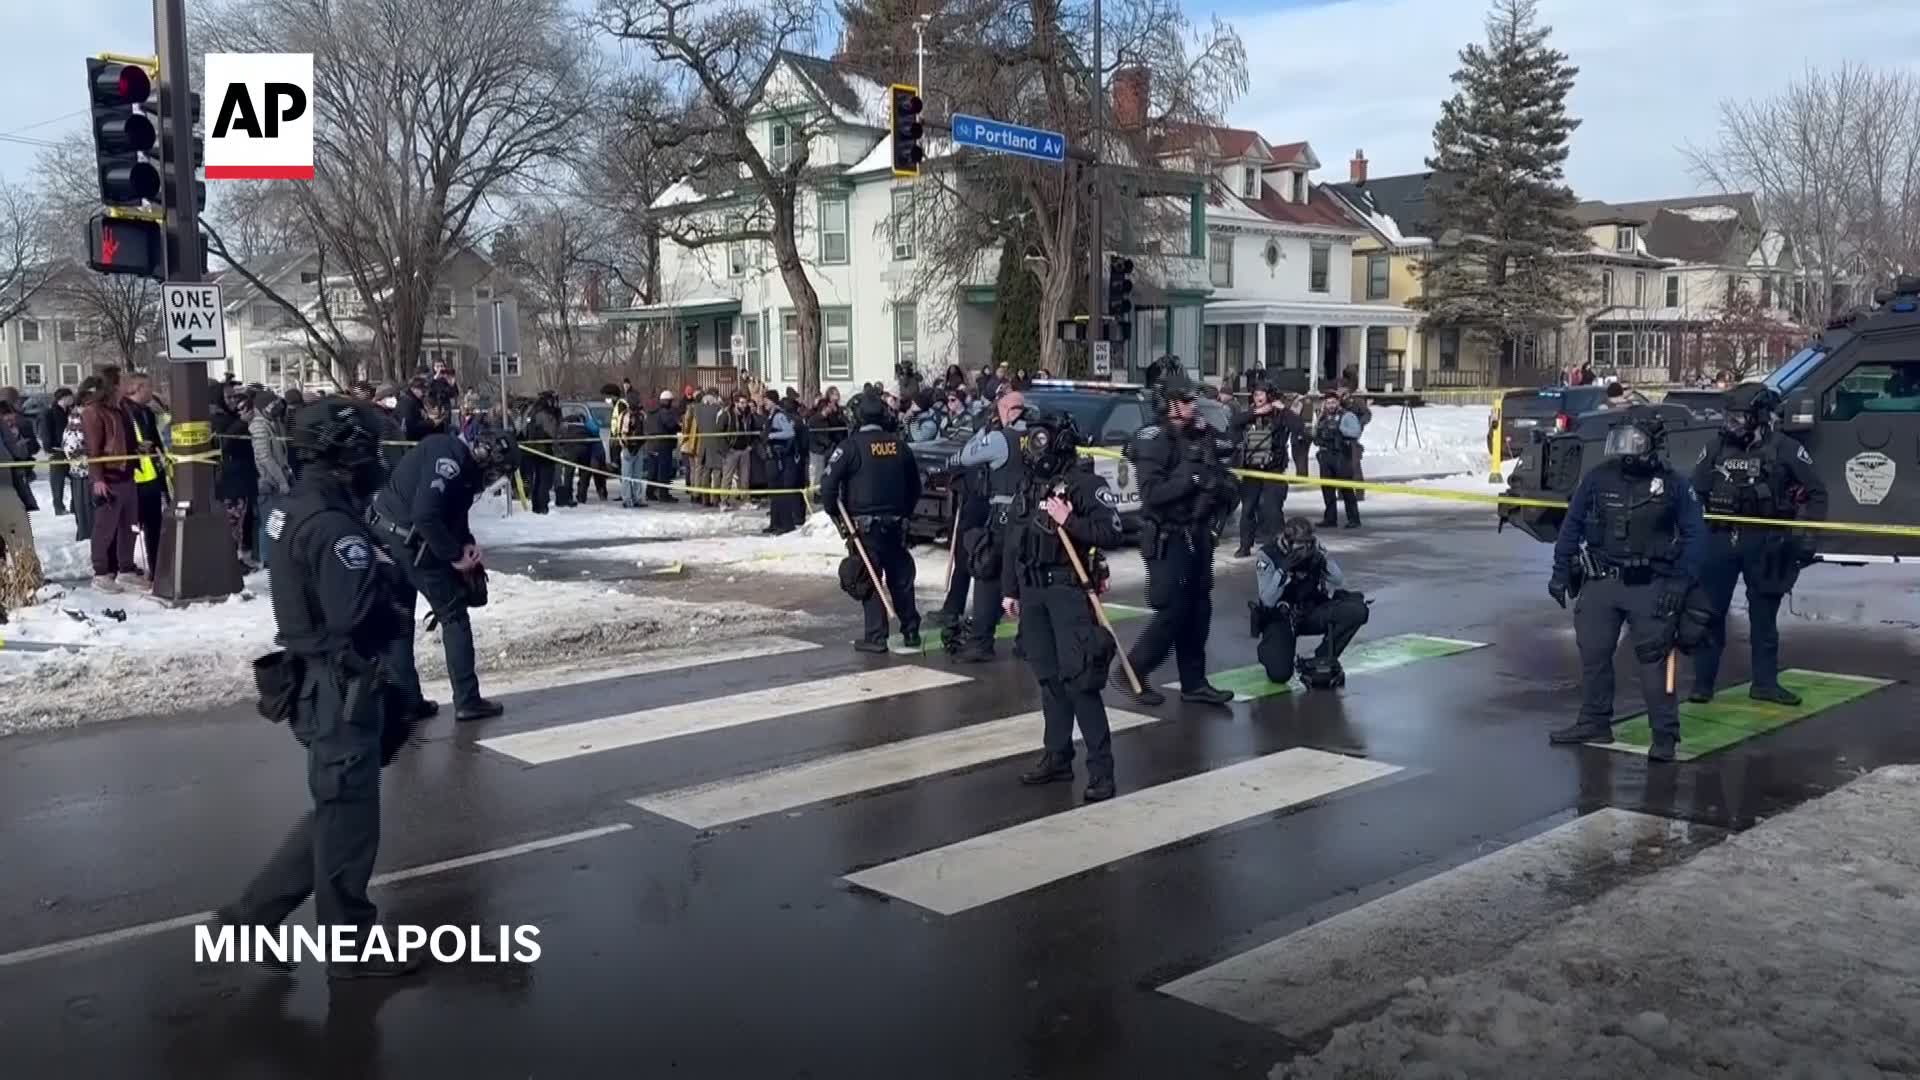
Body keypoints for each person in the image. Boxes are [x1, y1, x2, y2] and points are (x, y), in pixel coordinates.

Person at [217, 398, 421, 979]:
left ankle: (251, 920)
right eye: (366, 448)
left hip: (318, 680)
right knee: (350, 822)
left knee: (339, 813)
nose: (374, 458)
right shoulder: (332, 526)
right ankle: (350, 949)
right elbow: (354, 614)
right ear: (340, 451)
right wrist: (392, 582)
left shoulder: (296, 506)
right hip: (339, 682)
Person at [1547, 407, 1706, 761]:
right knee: (1593, 653)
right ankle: (1594, 721)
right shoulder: (1598, 478)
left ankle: (1664, 736)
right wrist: (1561, 572)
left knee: (1653, 663)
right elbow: (1571, 526)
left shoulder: (1675, 484)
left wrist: (1681, 582)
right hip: (1602, 580)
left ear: (1654, 444)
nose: (1627, 451)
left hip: (1652, 583)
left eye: (1635, 442)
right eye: (1621, 441)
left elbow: (1697, 536)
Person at [1002, 411, 1125, 802]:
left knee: (1080, 682)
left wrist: (1070, 519)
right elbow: (1012, 539)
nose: (1034, 446)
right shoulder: (1029, 484)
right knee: (1049, 680)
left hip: (1068, 591)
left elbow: (1111, 531)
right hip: (1033, 591)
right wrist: (1011, 590)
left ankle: (1101, 772)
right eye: (1032, 439)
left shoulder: (1085, 484)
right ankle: (1057, 756)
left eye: (1042, 439)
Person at [366, 425, 517, 724]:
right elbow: (426, 515)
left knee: (400, 617)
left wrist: (467, 543)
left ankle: (406, 701)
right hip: (406, 540)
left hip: (388, 536)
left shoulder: (457, 459)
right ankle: (467, 700)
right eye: (496, 469)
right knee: (454, 615)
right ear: (484, 453)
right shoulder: (449, 460)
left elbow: (453, 513)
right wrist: (455, 556)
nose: (493, 477)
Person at [1688, 384, 1827, 705]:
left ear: (1760, 417)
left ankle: (1765, 683)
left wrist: (1807, 537)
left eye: (1738, 418)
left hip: (1765, 542)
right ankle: (1703, 684)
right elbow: (1694, 492)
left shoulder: (1786, 448)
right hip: (1720, 539)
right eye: (1728, 417)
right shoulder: (1714, 448)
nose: (1730, 424)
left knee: (1763, 619)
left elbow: (1817, 493)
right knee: (1709, 614)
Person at [1119, 367, 1234, 706]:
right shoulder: (1153, 439)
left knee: (1199, 609)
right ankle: (1133, 669)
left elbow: (1224, 454)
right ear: (1167, 402)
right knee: (1173, 609)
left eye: (1192, 399)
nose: (1192, 405)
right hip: (1167, 535)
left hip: (1197, 533)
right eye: (1184, 400)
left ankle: (1194, 682)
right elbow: (1152, 493)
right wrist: (1194, 479)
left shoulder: (1198, 434)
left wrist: (1218, 486)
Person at [820, 391, 922, 652]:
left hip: (864, 527)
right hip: (897, 524)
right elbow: (915, 486)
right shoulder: (899, 445)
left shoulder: (850, 446)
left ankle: (876, 636)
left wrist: (838, 519)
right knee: (901, 579)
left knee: (870, 578)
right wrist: (906, 514)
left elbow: (828, 486)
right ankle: (911, 630)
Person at [948, 389, 1026, 661]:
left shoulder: (999, 439)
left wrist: (983, 431)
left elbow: (968, 456)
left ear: (1004, 410)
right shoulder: (1038, 437)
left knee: (987, 574)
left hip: (1004, 519)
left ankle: (981, 642)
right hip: (1033, 520)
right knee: (1027, 577)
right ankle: (1027, 641)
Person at [1250, 517, 1369, 687]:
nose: (1304, 548)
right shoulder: (1267, 555)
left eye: (1308, 542)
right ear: (1287, 541)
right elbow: (1267, 600)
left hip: (1311, 611)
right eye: (1300, 543)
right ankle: (1269, 651)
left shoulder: (1315, 548)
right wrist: (1283, 570)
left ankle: (1322, 658)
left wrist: (1322, 558)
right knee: (1279, 674)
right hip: (1282, 617)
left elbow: (1339, 580)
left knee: (1357, 611)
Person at [81, 365, 143, 591]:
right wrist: (97, 478)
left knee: (130, 525)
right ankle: (101, 573)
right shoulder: (94, 411)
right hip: (108, 477)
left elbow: (124, 438)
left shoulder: (122, 408)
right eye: (124, 381)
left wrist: (137, 449)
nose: (129, 384)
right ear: (114, 385)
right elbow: (93, 448)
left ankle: (125, 569)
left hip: (127, 474)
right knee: (105, 528)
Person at [1229, 384, 1299, 557]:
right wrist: (1255, 413)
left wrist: (1285, 410)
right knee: (1247, 510)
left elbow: (1298, 428)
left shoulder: (1279, 414)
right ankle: (1245, 545)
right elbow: (1233, 423)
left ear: (1269, 396)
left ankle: (1280, 545)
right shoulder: (1250, 415)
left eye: (1260, 394)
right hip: (1251, 470)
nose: (1257, 397)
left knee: (1272, 509)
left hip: (1273, 470)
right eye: (1255, 394)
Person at [0, 401, 42, 609]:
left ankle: (27, 587)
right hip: (4, 488)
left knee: (19, 540)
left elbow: (17, 453)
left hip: (5, 486)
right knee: (19, 539)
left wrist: (19, 441)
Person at [249, 389, 292, 569]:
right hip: (268, 481)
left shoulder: (272, 422)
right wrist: (281, 480)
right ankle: (268, 558)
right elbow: (264, 457)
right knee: (268, 520)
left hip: (277, 477)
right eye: (271, 405)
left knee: (276, 518)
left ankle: (274, 554)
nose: (275, 408)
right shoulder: (259, 426)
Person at [1313, 387, 1363, 528]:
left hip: (1341, 455)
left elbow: (1356, 432)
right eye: (1328, 403)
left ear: (1338, 403)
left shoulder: (1347, 416)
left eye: (1333, 402)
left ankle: (1353, 519)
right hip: (1325, 456)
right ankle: (1330, 519)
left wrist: (1341, 429)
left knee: (1346, 489)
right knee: (1327, 489)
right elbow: (1316, 433)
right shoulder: (1322, 417)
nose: (1331, 405)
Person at [764, 390, 807, 534]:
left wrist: (771, 435)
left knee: (781, 491)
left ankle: (785, 524)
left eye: (767, 400)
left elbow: (790, 432)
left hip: (780, 458)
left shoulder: (779, 415)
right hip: (772, 457)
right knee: (774, 492)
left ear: (773, 401)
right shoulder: (770, 415)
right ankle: (775, 523)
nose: (764, 402)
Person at [523, 391, 562, 514]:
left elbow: (524, 430)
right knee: (545, 480)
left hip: (533, 450)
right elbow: (553, 432)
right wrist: (557, 417)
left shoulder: (531, 412)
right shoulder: (545, 414)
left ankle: (536, 505)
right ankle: (542, 506)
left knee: (538, 479)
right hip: (545, 450)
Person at [39, 387, 72, 516]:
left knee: (75, 478)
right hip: (57, 450)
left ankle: (74, 506)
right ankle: (58, 507)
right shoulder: (49, 412)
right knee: (57, 481)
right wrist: (48, 448)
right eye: (69, 397)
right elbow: (45, 431)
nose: (72, 399)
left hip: (71, 450)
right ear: (63, 398)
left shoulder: (70, 411)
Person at [645, 390, 681, 502]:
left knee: (653, 471)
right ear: (668, 401)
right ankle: (664, 494)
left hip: (651, 445)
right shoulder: (665, 412)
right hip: (663, 445)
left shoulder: (651, 413)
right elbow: (670, 425)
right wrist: (678, 426)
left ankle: (649, 492)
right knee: (664, 471)